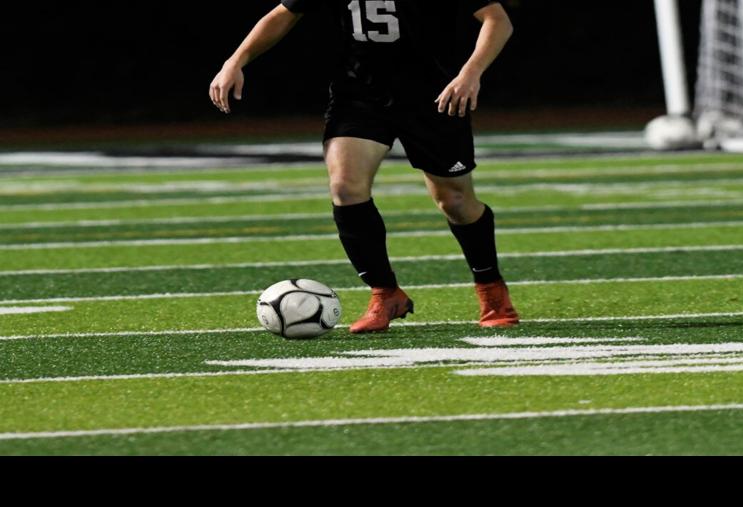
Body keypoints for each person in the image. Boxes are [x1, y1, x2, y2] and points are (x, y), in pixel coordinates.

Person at [210, 0, 520, 333]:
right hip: (359, 94)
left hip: (434, 94)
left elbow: (497, 19)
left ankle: (491, 289)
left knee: (455, 202)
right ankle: (385, 293)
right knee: (345, 186)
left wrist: (471, 72)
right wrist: (235, 60)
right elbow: (283, 13)